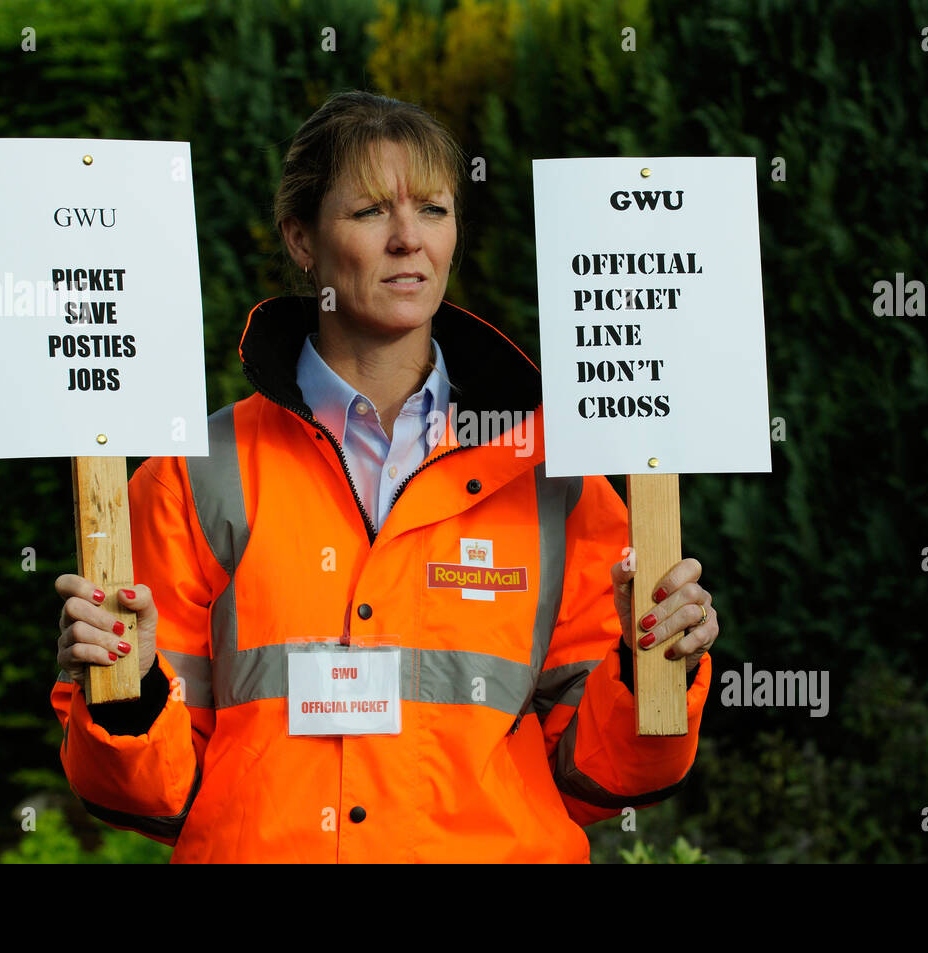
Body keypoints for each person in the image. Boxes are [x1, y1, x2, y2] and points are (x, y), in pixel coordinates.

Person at [51, 90, 720, 863]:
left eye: (433, 210)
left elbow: (601, 775)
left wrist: (655, 664)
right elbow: (148, 794)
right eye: (371, 211)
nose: (409, 240)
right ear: (302, 240)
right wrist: (127, 693)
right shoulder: (195, 475)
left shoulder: (551, 480)